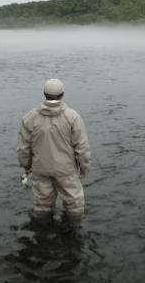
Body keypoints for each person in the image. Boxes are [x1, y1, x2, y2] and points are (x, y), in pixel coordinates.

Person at [17, 78, 91, 219]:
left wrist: (26, 166)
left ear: (44, 94)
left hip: (40, 169)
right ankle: (73, 234)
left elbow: (23, 149)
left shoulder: (29, 117)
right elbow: (82, 148)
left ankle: (43, 234)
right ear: (63, 94)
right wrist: (84, 168)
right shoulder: (73, 117)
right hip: (66, 170)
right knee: (74, 206)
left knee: (42, 206)